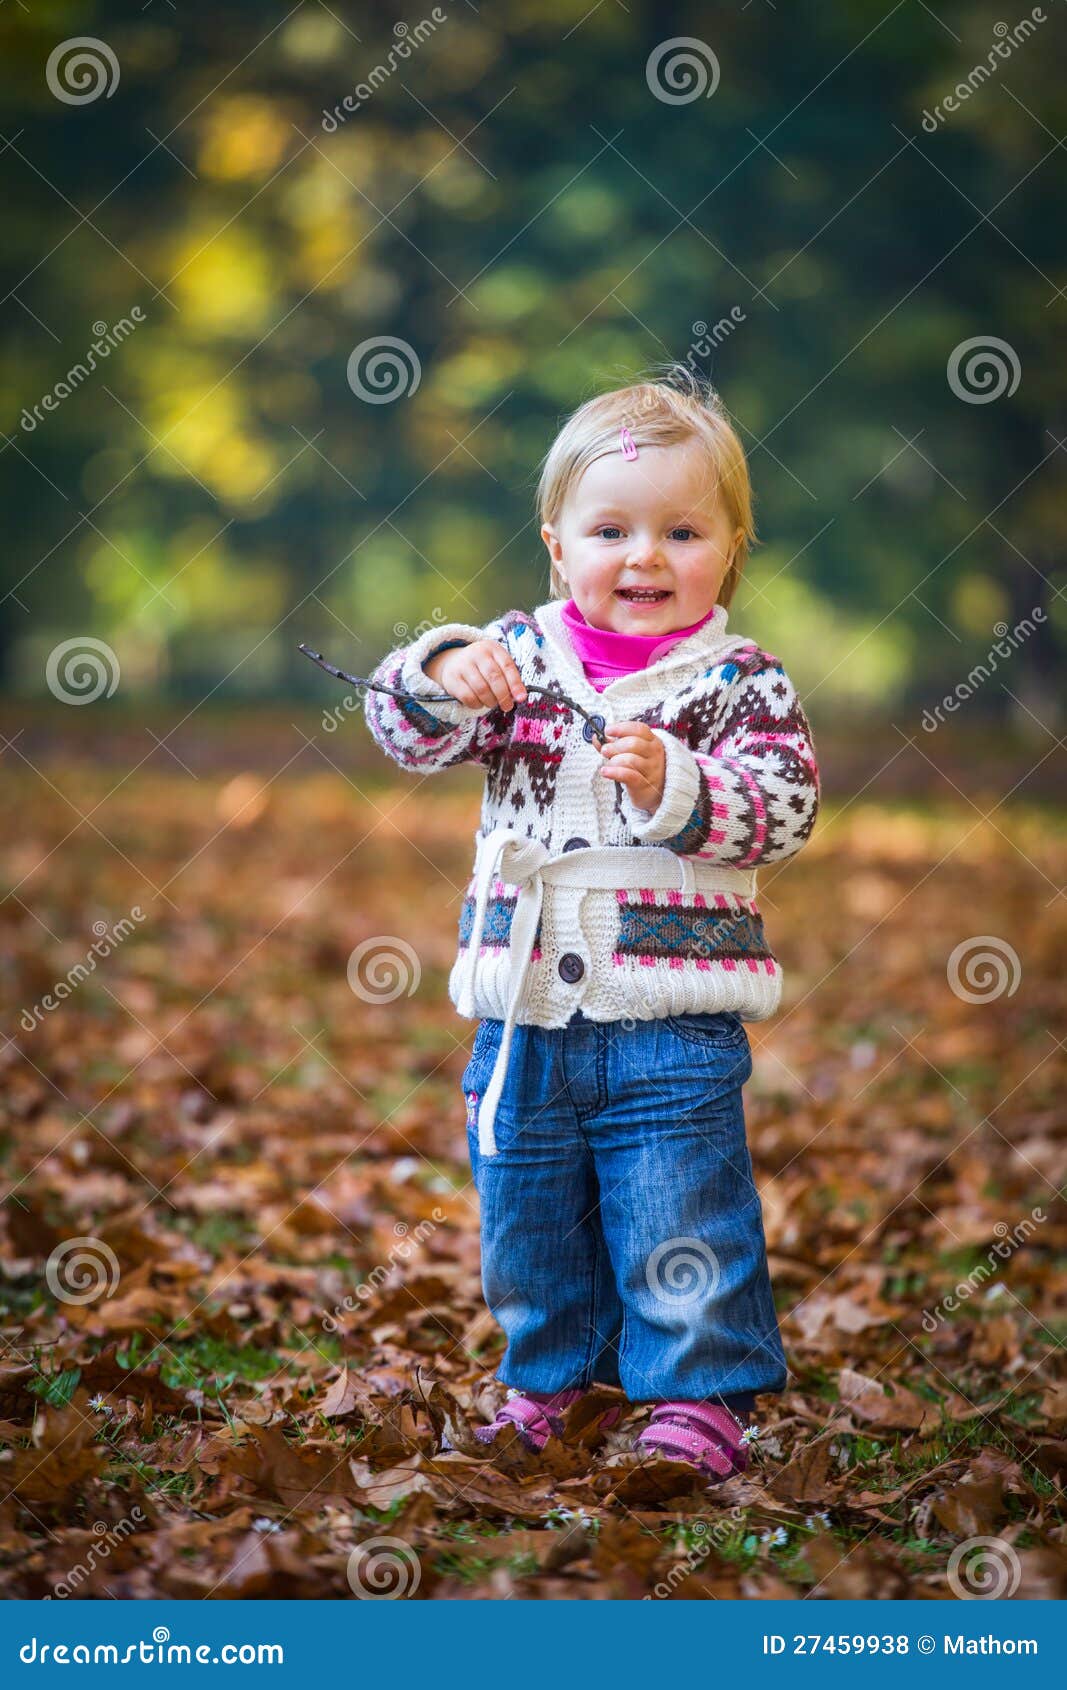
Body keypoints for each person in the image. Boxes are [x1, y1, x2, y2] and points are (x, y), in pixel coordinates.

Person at [362, 368, 820, 1483]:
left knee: (678, 1207)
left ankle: (696, 1391)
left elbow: (785, 805)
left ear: (730, 547)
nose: (645, 556)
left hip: (671, 1014)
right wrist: (437, 671)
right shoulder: (511, 658)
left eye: (681, 530)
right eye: (610, 528)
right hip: (522, 1006)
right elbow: (398, 727)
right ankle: (551, 1376)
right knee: (528, 1212)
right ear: (557, 545)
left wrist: (684, 784)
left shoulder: (737, 684)